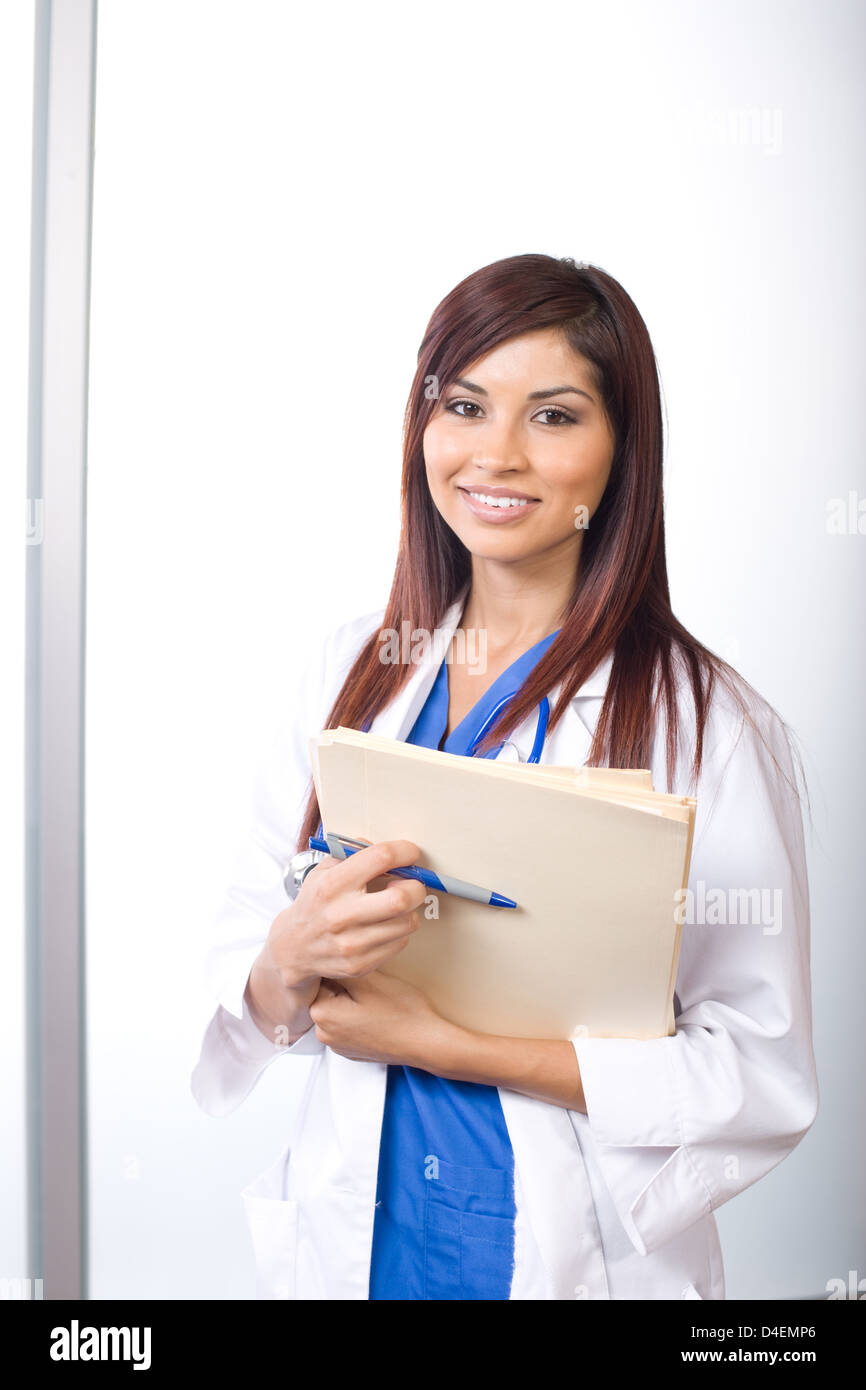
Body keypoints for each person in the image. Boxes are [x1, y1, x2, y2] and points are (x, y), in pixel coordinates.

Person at [191, 253, 818, 1300]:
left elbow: (755, 1076)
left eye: (554, 416)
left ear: (622, 450)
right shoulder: (352, 672)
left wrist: (453, 1044)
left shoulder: (704, 725)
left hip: (570, 1262)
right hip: (365, 1247)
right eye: (466, 405)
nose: (496, 454)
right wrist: (285, 962)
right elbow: (246, 979)